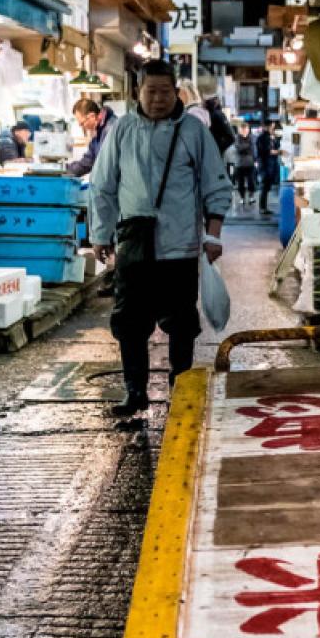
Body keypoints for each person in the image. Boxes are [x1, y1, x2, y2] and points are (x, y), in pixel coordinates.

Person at [90, 59, 232, 418]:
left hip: (180, 246)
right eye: (151, 91)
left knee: (181, 325)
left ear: (177, 93)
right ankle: (134, 392)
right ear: (138, 92)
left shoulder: (193, 132)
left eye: (164, 91)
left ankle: (181, 388)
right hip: (134, 244)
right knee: (130, 322)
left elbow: (215, 185)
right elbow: (103, 185)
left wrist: (212, 238)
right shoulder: (121, 130)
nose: (157, 99)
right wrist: (101, 234)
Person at [66, 97, 114, 177]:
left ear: (92, 116)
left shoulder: (110, 129)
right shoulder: (98, 131)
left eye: (82, 123)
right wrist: (64, 169)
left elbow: (108, 166)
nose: (82, 127)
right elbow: (88, 161)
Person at [231, 120, 257, 209]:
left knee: (251, 182)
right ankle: (242, 198)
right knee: (240, 183)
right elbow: (239, 148)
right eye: (243, 129)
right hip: (239, 164)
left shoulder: (252, 138)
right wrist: (248, 146)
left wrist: (255, 159)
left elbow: (253, 149)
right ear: (239, 130)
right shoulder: (236, 138)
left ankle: (251, 197)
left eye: (246, 129)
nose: (245, 131)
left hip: (250, 163)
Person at [255, 118, 278, 215]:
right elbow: (266, 151)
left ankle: (264, 207)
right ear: (266, 127)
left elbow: (275, 146)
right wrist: (279, 152)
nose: (272, 128)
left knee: (267, 187)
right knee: (264, 186)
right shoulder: (262, 137)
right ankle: (262, 208)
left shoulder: (270, 136)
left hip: (270, 164)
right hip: (264, 165)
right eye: (271, 126)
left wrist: (274, 139)